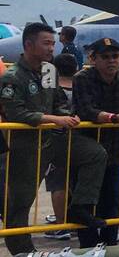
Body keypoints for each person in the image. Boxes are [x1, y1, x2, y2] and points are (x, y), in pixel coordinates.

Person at [1, 23, 107, 255]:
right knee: (21, 201)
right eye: (46, 43)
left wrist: (67, 116)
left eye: (53, 43)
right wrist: (53, 119)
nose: (52, 48)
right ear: (29, 45)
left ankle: (80, 205)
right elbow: (16, 113)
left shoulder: (49, 70)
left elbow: (57, 99)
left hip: (53, 140)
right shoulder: (12, 77)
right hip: (25, 146)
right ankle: (22, 253)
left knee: (94, 153)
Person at [71, 37, 119, 247]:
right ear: (93, 59)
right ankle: (88, 246)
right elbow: (85, 109)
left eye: (115, 56)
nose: (112, 61)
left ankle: (110, 244)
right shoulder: (82, 78)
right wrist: (114, 118)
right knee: (85, 201)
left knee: (113, 199)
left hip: (116, 148)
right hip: (87, 149)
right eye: (105, 57)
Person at [39, 52, 81, 241]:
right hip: (77, 140)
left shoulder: (52, 87)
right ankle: (71, 219)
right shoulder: (79, 87)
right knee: (72, 181)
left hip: (55, 140)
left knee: (57, 183)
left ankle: (61, 224)